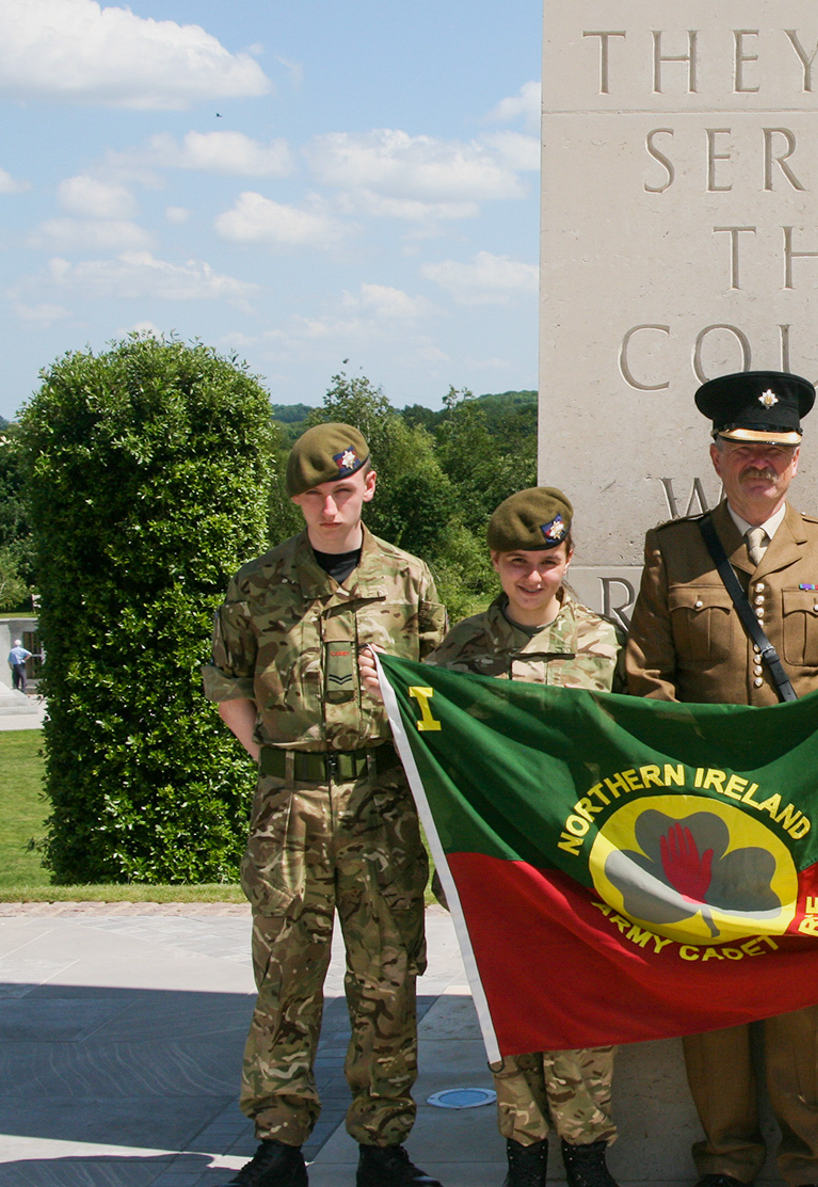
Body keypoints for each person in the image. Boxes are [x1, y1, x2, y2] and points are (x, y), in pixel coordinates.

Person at [622, 370, 818, 1187]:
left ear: (796, 462)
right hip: (706, 817)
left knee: (807, 991)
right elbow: (646, 679)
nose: (760, 465)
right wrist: (697, 772)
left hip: (804, 816)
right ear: (717, 456)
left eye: (776, 453)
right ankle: (725, 1161)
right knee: (715, 995)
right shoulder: (674, 549)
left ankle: (810, 1164)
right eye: (744, 451)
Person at [202, 423, 448, 1187]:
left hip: (383, 805)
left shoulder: (409, 580)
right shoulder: (258, 582)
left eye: (343, 491)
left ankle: (383, 1145)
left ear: (368, 486)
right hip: (290, 807)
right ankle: (278, 1144)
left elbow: (442, 688)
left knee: (386, 979)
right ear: (298, 502)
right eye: (314, 497)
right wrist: (274, 762)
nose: (330, 509)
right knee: (285, 976)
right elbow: (225, 682)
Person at [358, 488, 624, 1187]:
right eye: (516, 563)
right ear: (496, 564)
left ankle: (589, 1155)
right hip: (493, 862)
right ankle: (525, 1155)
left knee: (582, 1009)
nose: (532, 577)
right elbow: (423, 735)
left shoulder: (601, 644)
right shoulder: (462, 650)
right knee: (507, 1008)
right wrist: (384, 684)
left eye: (546, 561)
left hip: (576, 860)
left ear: (568, 558)